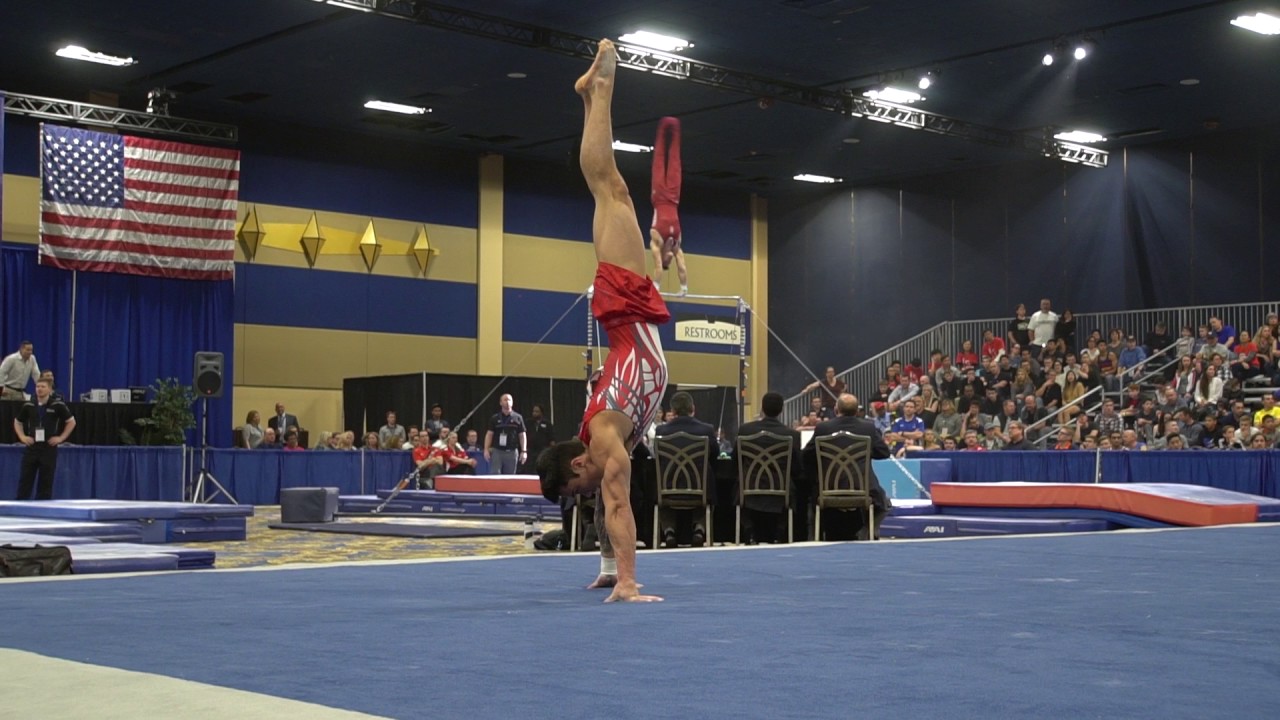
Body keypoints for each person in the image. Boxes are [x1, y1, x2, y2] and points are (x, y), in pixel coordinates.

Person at [535, 39, 671, 603]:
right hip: (627, 323)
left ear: (578, 460)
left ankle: (601, 89)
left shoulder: (604, 437)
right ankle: (592, 97)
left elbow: (616, 502)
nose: (583, 493)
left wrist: (631, 582)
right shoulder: (597, 442)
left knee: (610, 188)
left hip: (627, 314)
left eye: (575, 487)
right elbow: (603, 500)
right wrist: (613, 570)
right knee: (608, 191)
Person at [803, 393, 891, 540]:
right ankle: (867, 531)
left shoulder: (823, 428)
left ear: (836, 409)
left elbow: (807, 455)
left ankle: (815, 536)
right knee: (884, 502)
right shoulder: (868, 428)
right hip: (862, 488)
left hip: (829, 488)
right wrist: (864, 453)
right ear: (857, 411)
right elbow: (884, 453)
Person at [653, 391, 716, 547]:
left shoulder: (661, 432)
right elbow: (714, 455)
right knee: (708, 479)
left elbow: (657, 456)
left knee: (659, 480)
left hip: (668, 488)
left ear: (672, 411)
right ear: (692, 408)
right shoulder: (706, 430)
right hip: (699, 488)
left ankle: (669, 531)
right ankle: (700, 529)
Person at [13, 379, 76, 499]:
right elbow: (17, 422)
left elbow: (71, 422)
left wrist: (61, 438)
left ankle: (43, 506)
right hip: (32, 447)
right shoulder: (29, 405)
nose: (39, 389)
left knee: (46, 482)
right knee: (25, 480)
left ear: (50, 389)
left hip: (48, 447)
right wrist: (22, 437)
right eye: (37, 386)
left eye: (43, 387)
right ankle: (21, 505)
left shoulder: (57, 405)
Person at [648, 116, 687, 295]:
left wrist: (656, 287)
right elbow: (682, 267)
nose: (669, 259)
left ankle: (663, 127)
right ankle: (676, 128)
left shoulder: (656, 244)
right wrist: (684, 288)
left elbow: (657, 267)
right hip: (674, 197)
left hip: (658, 196)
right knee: (675, 161)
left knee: (659, 159)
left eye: (667, 261)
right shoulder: (677, 246)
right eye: (670, 263)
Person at [485, 393, 527, 474]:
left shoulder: (518, 417)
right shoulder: (495, 418)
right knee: (495, 475)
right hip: (497, 451)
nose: (507, 402)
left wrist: (524, 451)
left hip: (512, 452)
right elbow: (489, 434)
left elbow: (522, 435)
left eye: (509, 400)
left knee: (509, 477)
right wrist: (486, 449)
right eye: (505, 400)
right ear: (500, 403)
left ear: (512, 402)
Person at [524, 404, 555, 472]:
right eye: (534, 411)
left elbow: (551, 438)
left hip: (542, 450)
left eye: (537, 411)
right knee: (529, 469)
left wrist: (552, 450)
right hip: (530, 450)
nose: (534, 413)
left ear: (541, 413)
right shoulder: (528, 422)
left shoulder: (547, 424)